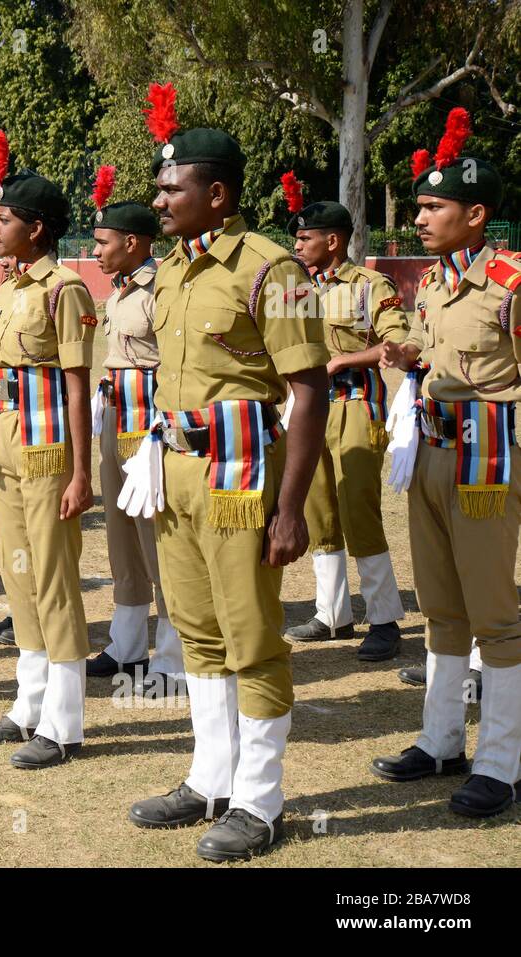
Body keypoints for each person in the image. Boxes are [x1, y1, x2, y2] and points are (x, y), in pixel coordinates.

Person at [121, 89, 328, 861]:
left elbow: (309, 390)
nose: (159, 199)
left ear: (218, 194)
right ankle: (210, 777)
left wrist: (292, 507)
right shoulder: (173, 272)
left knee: (253, 637)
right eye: (158, 186)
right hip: (175, 469)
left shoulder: (270, 269)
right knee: (199, 634)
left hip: (241, 476)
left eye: (173, 188)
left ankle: (260, 799)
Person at [370, 110, 521, 818]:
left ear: (477, 214)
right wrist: (412, 358)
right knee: (440, 610)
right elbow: (442, 358)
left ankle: (501, 761)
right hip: (430, 455)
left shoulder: (510, 282)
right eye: (421, 205)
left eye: (435, 207)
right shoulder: (431, 283)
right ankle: (439, 741)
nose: (421, 216)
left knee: (496, 617)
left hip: (489, 463)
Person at [0, 130, 95, 770]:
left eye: (4, 218)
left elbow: (76, 383)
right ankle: (28, 704)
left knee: (53, 579)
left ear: (37, 228)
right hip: (6, 442)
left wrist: (80, 471)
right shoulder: (10, 288)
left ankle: (64, 723)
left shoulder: (63, 288)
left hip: (47, 448)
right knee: (18, 578)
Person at [285, 194, 408, 661]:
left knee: (359, 511)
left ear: (332, 241)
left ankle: (384, 619)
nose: (297, 245)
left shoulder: (369, 285)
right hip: (308, 409)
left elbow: (396, 341)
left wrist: (341, 360)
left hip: (355, 403)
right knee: (318, 512)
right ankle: (332, 614)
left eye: (305, 237)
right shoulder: (295, 288)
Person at [87, 186, 184, 694]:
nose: (96, 251)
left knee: (158, 542)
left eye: (103, 242)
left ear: (132, 241)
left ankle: (171, 658)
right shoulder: (122, 287)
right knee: (121, 537)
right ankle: (124, 645)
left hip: (150, 428)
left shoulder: (161, 286)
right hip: (116, 419)